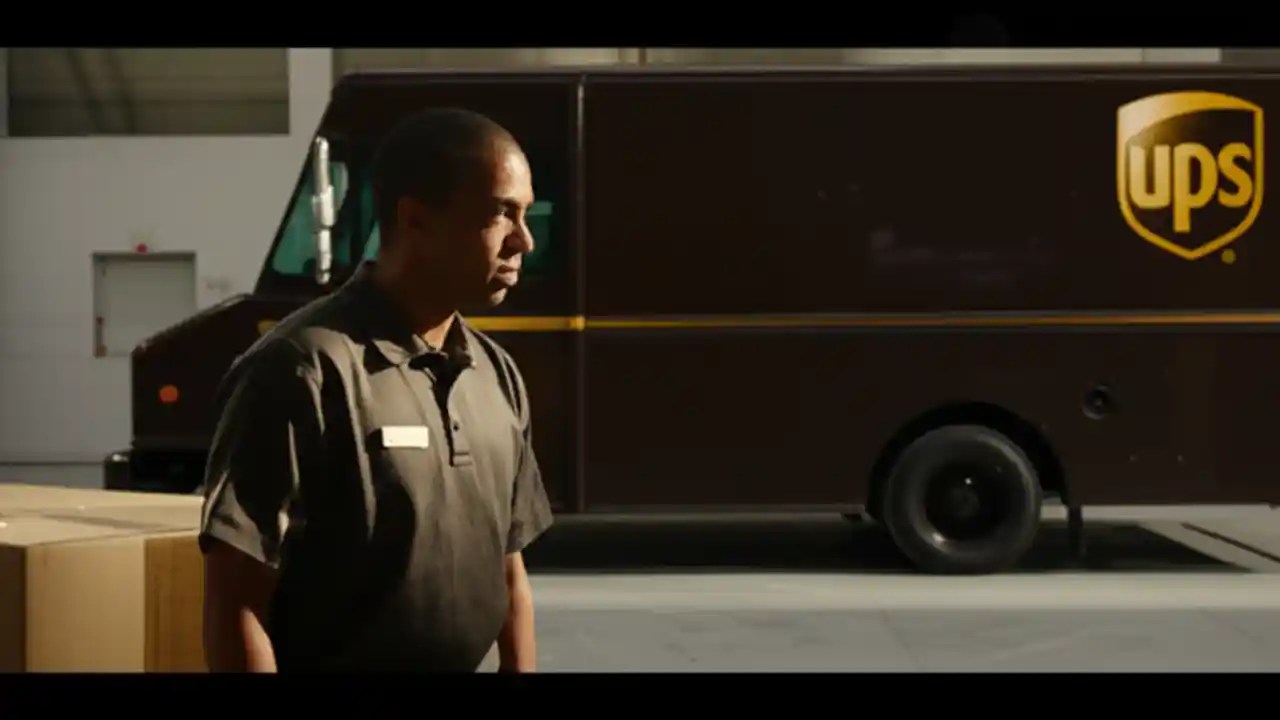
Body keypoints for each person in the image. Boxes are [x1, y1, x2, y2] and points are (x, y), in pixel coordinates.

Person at [198, 107, 555, 673]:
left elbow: (510, 574)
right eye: (500, 214)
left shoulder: (496, 374)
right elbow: (235, 599)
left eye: (526, 215)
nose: (525, 242)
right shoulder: (301, 369)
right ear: (414, 219)